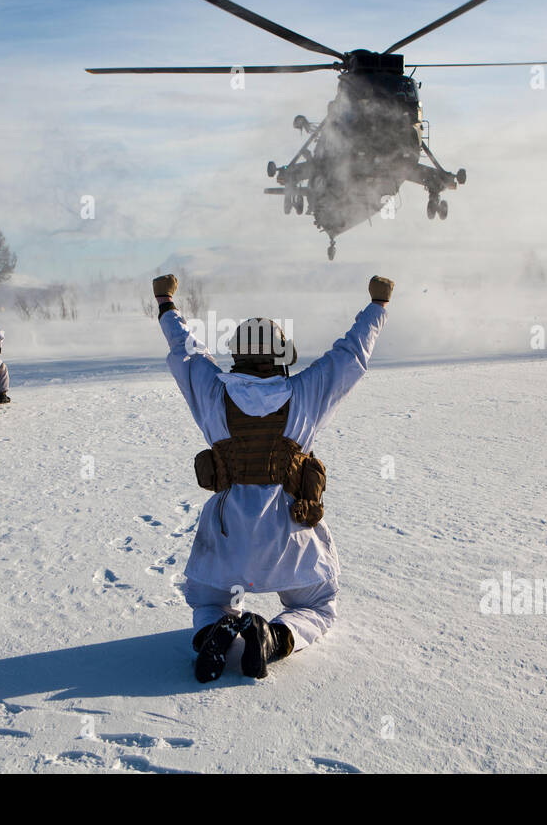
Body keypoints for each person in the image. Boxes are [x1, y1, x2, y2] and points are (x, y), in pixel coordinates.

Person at [153, 272, 392, 682]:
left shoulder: (211, 389)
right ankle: (273, 637)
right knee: (318, 606)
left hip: (226, 537)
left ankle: (213, 632)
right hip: (289, 535)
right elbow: (351, 354)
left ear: (235, 354)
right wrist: (378, 306)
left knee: (209, 601)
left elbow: (185, 349)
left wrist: (165, 303)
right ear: (282, 354)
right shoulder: (306, 392)